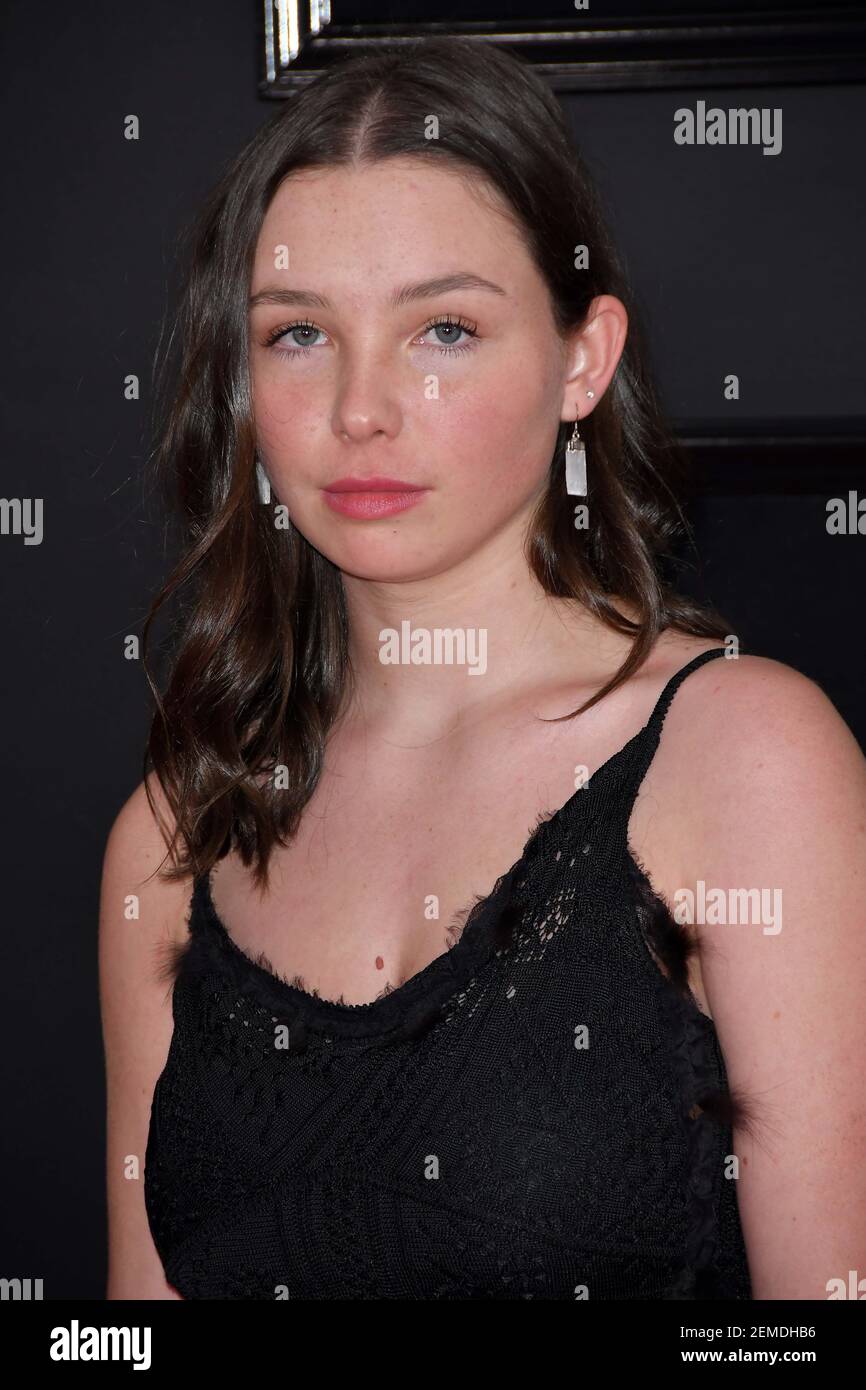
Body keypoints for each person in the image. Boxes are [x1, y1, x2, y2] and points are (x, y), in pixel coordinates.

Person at [99, 36, 866, 1300]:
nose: (360, 408)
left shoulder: (745, 761)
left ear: (581, 358)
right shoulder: (178, 831)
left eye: (442, 328)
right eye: (297, 336)